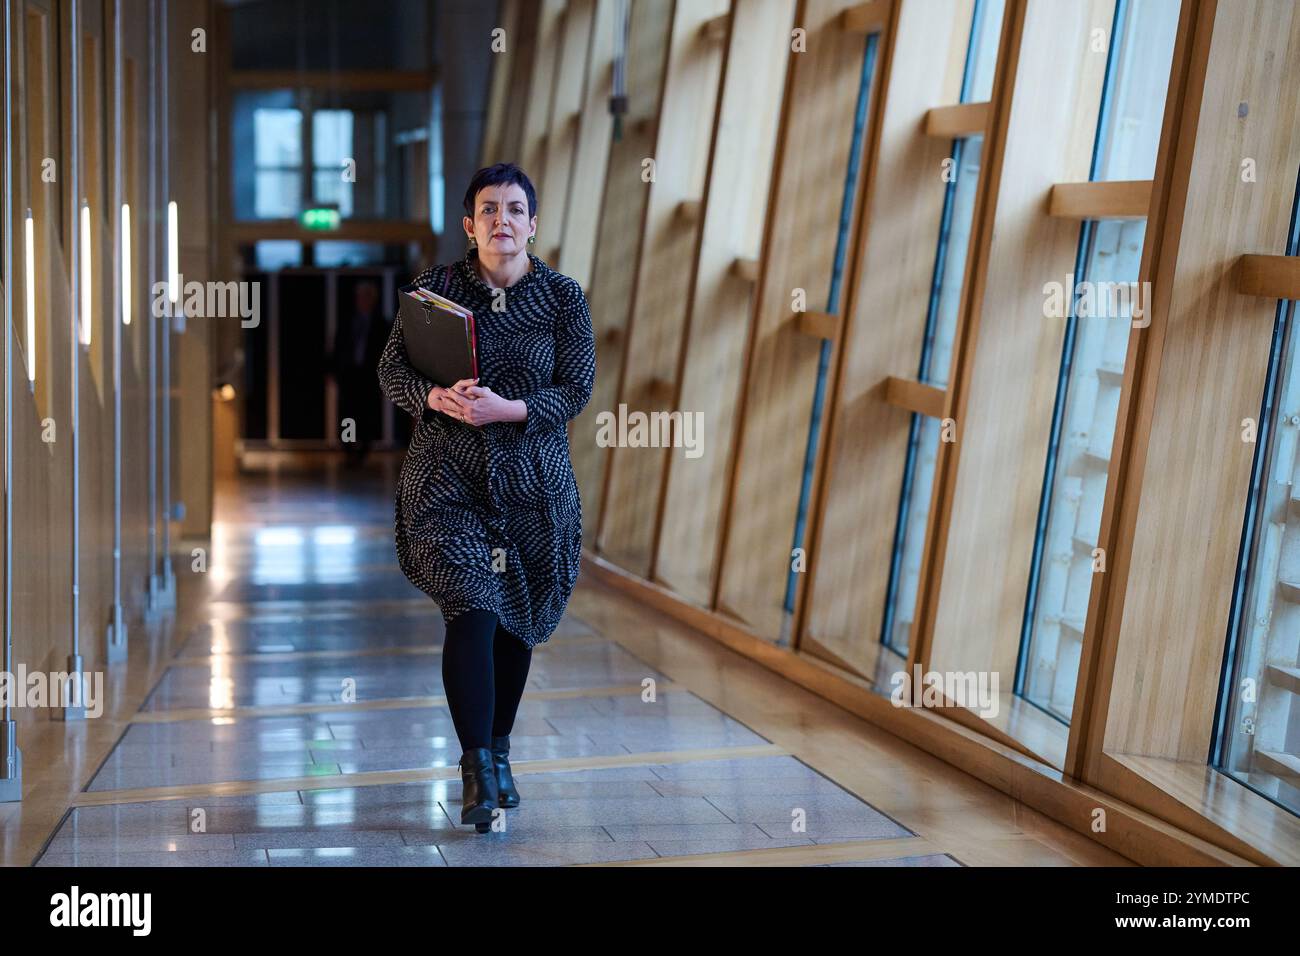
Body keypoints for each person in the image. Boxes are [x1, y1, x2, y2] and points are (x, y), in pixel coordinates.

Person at [376, 162, 596, 832]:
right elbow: (393, 367)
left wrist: (513, 409)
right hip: (448, 483)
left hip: (532, 490)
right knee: (472, 608)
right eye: (489, 210)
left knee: (516, 622)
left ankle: (499, 751)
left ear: (533, 223)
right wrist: (432, 397)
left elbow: (576, 388)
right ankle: (475, 765)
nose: (503, 221)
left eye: (515, 209)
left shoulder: (562, 298)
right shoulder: (433, 291)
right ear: (470, 225)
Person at [328, 279, 388, 465]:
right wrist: (333, 371)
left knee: (367, 414)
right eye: (360, 297)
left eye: (366, 297)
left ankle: (362, 451)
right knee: (347, 414)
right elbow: (337, 348)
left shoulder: (382, 324)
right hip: (349, 375)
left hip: (369, 377)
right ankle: (348, 449)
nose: (362, 300)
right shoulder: (348, 321)